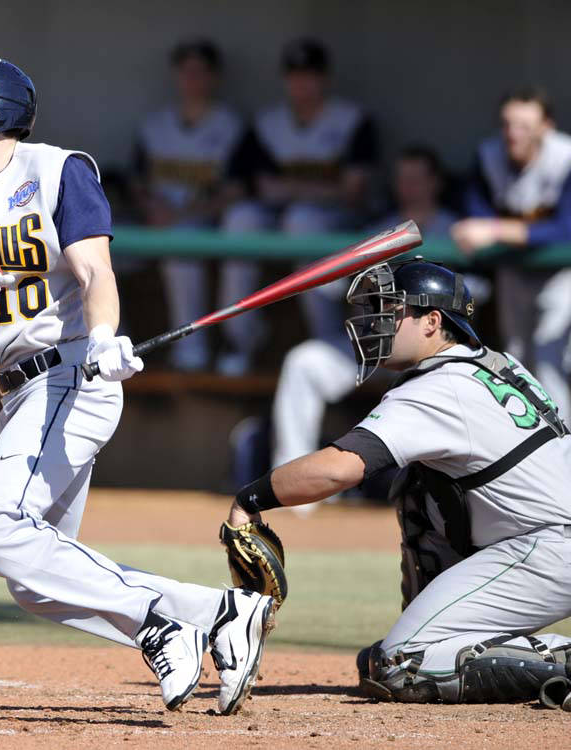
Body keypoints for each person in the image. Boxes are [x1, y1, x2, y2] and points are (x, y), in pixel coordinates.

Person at [0, 53, 273, 714]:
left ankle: (159, 627)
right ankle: (220, 613)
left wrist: (103, 338)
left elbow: (96, 272)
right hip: (17, 392)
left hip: (71, 374)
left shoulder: (58, 170)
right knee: (31, 574)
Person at [225, 258, 571, 704]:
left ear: (432, 322)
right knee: (417, 485)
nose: (376, 322)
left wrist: (250, 498)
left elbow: (339, 468)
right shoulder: (497, 363)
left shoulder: (437, 387)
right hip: (543, 541)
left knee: (402, 663)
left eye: (391, 311)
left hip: (548, 547)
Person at [268, 147, 460, 502]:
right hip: (379, 347)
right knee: (303, 363)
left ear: (435, 183)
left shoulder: (456, 229)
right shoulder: (380, 231)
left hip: (434, 354)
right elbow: (336, 289)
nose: (408, 187)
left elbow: (478, 291)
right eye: (402, 179)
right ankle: (293, 493)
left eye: (416, 179)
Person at [222, 37, 378, 345]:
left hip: (343, 218)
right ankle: (239, 339)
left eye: (310, 74)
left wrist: (291, 188)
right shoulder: (269, 122)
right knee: (241, 218)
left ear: (325, 78)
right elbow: (256, 187)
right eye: (295, 75)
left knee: (302, 219)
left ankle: (326, 338)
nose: (302, 83)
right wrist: (312, 189)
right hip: (283, 215)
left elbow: (352, 192)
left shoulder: (352, 119)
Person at [133, 40, 258, 374]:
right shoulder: (155, 125)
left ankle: (228, 343)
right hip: (162, 221)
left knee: (194, 235)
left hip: (209, 222)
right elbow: (136, 182)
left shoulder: (231, 126)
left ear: (215, 77)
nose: (192, 80)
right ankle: (181, 348)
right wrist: (151, 207)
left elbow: (239, 190)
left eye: (201, 72)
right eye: (186, 72)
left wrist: (182, 215)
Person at [451, 87, 571, 419]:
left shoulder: (565, 157)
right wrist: (498, 229)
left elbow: (566, 229)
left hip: (561, 273)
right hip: (514, 269)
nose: (514, 134)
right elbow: (473, 213)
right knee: (517, 359)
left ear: (546, 126)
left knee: (550, 360)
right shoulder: (490, 155)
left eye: (525, 126)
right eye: (508, 124)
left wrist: (496, 230)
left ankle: (564, 443)